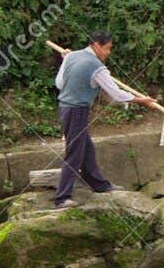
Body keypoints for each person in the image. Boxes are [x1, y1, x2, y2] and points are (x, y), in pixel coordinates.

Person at [53, 32, 158, 209]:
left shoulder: (71, 57)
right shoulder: (97, 67)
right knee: (75, 153)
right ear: (96, 45)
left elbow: (59, 84)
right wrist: (141, 100)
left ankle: (99, 185)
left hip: (64, 109)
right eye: (107, 48)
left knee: (86, 148)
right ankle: (62, 198)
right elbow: (117, 94)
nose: (108, 53)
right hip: (77, 111)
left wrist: (66, 61)